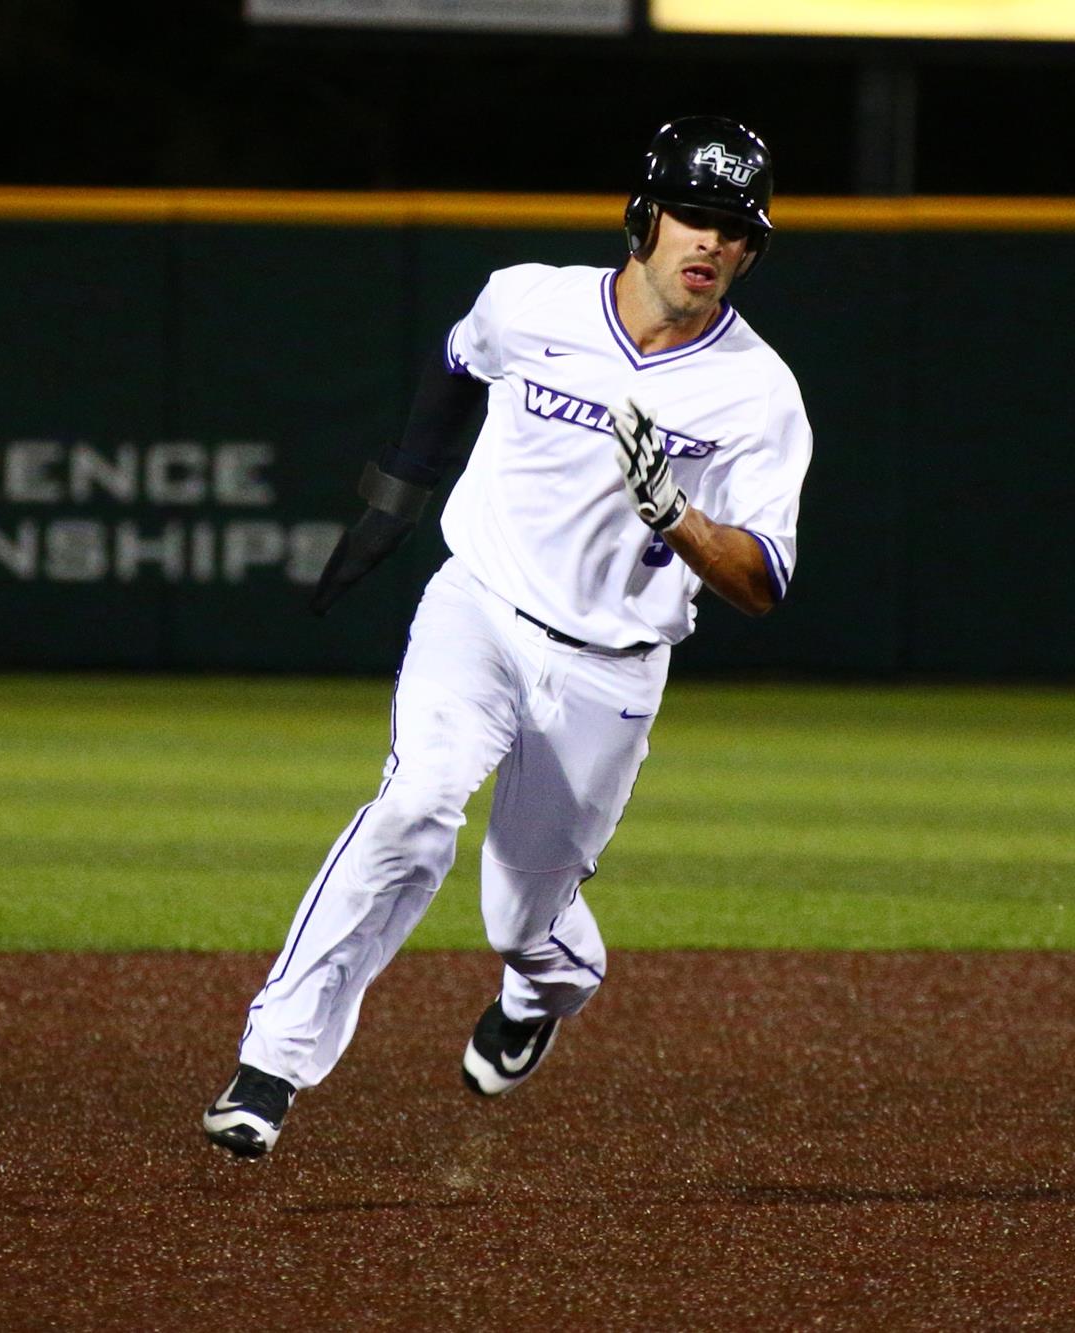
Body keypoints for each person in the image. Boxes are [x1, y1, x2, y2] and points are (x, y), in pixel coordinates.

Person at [201, 115, 811, 1160]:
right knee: (413, 803)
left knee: (523, 920)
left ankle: (539, 992)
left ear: (752, 249)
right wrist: (391, 503)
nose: (708, 242)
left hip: (609, 666)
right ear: (641, 217)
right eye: (691, 216)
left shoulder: (758, 393)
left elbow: (762, 581)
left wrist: (681, 519)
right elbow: (452, 363)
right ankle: (270, 1067)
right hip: (477, 605)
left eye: (732, 227)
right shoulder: (528, 302)